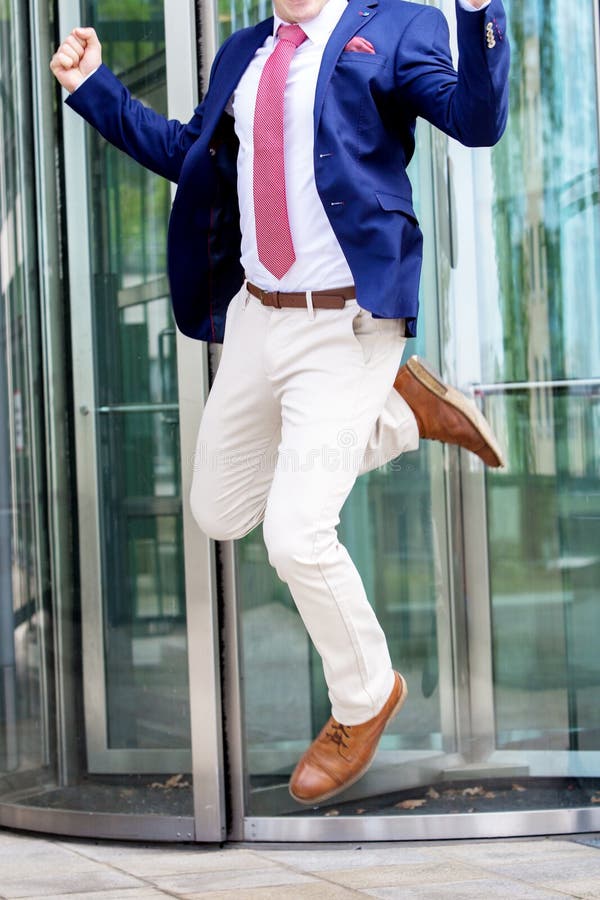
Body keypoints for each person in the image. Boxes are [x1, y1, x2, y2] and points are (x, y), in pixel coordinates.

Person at [50, 0, 509, 805]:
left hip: (349, 322)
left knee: (297, 537)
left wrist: (477, 12)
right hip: (261, 317)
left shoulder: (395, 27)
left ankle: (365, 697)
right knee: (220, 512)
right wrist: (94, 86)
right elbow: (189, 155)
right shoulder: (244, 52)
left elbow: (476, 120)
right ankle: (402, 415)